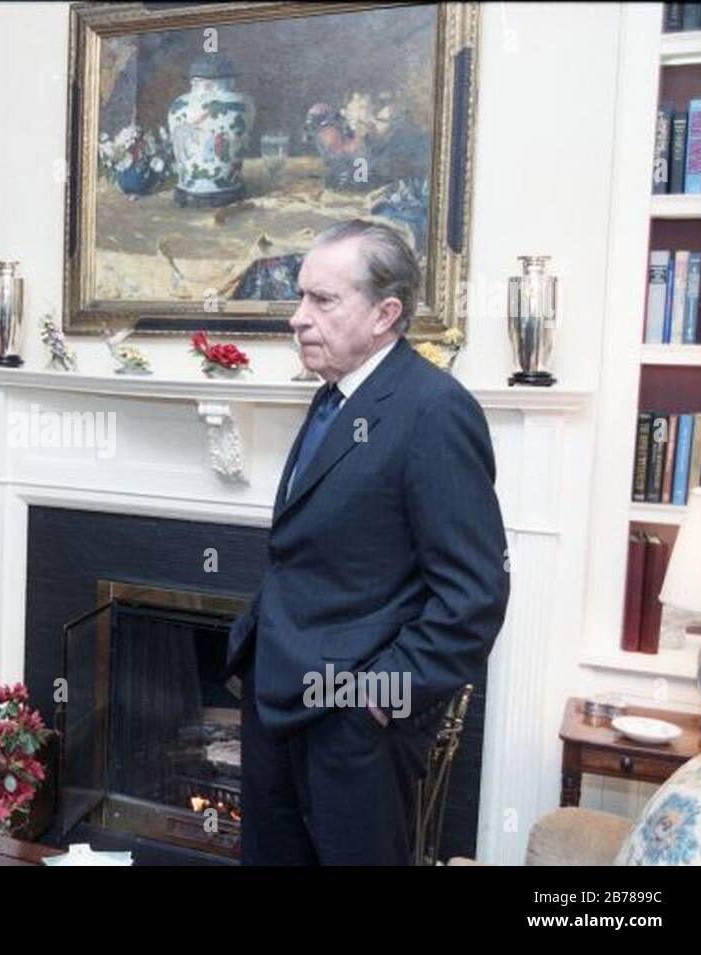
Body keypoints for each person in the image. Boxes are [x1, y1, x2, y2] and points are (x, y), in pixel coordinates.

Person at [226, 219, 510, 865]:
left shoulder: (434, 410)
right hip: (278, 702)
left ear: (386, 313)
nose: (297, 318)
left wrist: (376, 700)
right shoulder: (332, 396)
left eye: (322, 300)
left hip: (352, 725)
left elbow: (474, 595)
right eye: (300, 297)